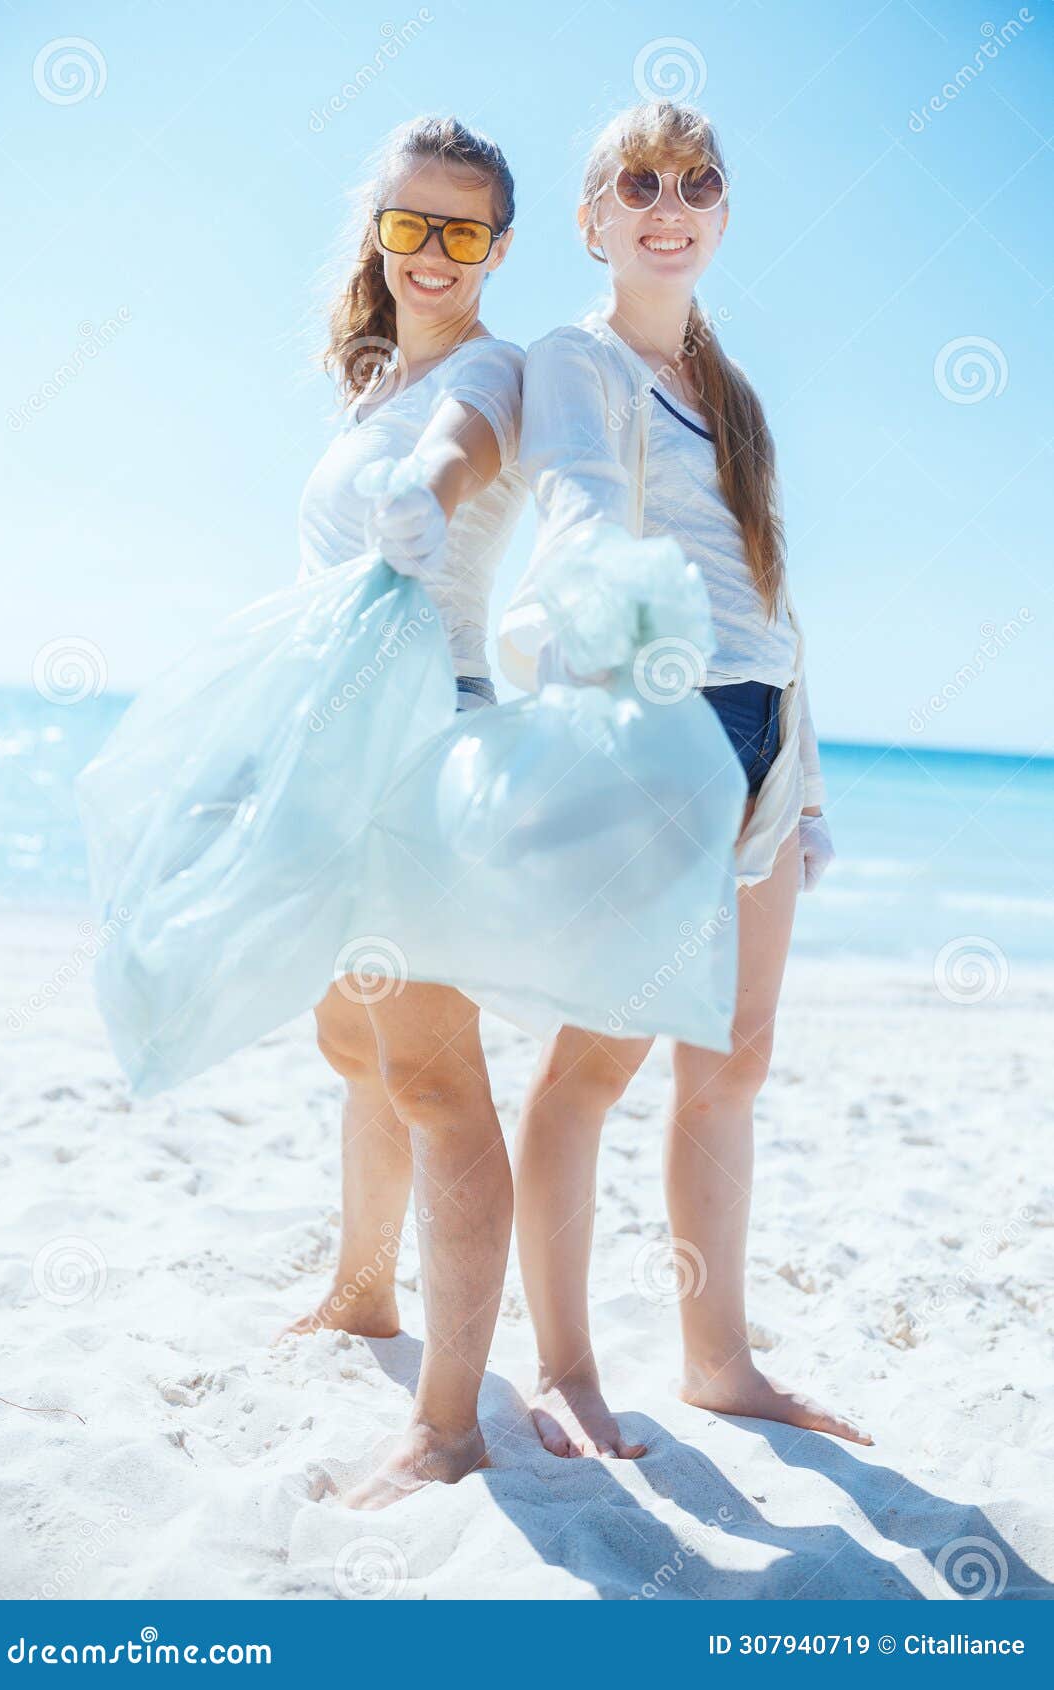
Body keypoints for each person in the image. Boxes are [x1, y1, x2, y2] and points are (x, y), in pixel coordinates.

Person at [500, 100, 871, 1460]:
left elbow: (771, 597)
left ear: (719, 216)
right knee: (593, 1057)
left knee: (734, 1058)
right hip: (651, 724)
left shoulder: (733, 394)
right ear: (594, 218)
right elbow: (582, 500)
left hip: (766, 732)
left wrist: (808, 789)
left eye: (696, 181)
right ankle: (562, 1365)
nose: (669, 200)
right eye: (636, 181)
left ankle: (718, 1361)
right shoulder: (576, 359)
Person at [288, 115, 527, 1510]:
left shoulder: (488, 371)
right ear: (377, 229)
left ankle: (449, 1424)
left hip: (428, 738)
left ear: (497, 247)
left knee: (436, 1072)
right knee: (353, 1042)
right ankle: (359, 1296)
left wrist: (425, 499)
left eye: (461, 230)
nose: (431, 253)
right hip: (331, 737)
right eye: (408, 224)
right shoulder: (368, 378)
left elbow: (455, 453)